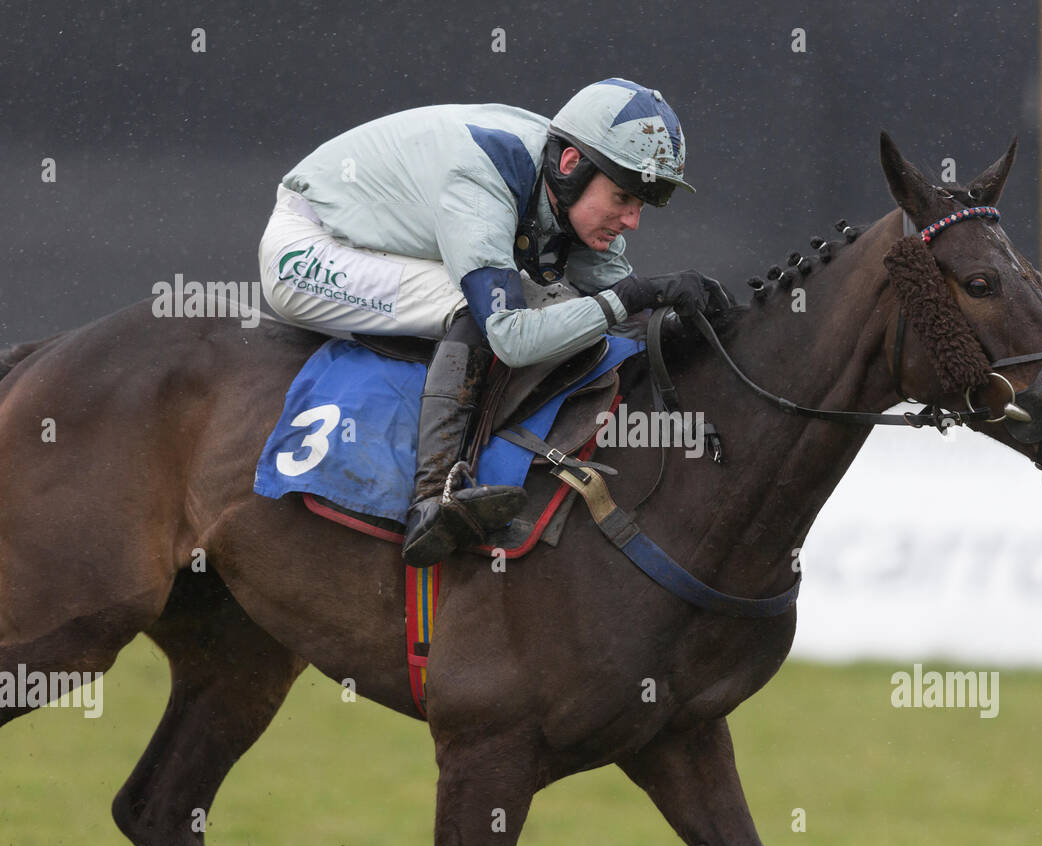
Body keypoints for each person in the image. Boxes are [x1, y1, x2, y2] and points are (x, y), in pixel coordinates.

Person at [257, 78, 733, 567]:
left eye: (642, 205)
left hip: (373, 238)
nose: (631, 221)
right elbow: (512, 338)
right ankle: (433, 500)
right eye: (622, 198)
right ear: (571, 165)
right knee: (483, 312)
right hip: (307, 251)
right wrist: (636, 295)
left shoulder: (560, 180)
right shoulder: (483, 177)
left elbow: (623, 300)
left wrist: (681, 315)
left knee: (561, 305)